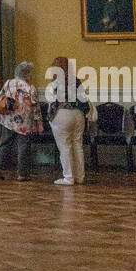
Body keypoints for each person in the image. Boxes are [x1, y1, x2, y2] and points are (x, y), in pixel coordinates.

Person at [46, 55, 89, 185]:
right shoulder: (77, 81)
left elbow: (51, 102)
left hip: (62, 115)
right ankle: (80, 176)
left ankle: (69, 177)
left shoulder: (54, 83)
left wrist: (50, 118)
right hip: (79, 115)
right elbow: (84, 99)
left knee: (65, 147)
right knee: (78, 145)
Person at [0, 61, 41, 181]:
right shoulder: (30, 88)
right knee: (23, 147)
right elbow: (36, 108)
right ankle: (22, 174)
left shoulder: (9, 83)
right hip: (24, 122)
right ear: (28, 74)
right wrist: (39, 123)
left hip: (8, 119)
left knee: (5, 144)